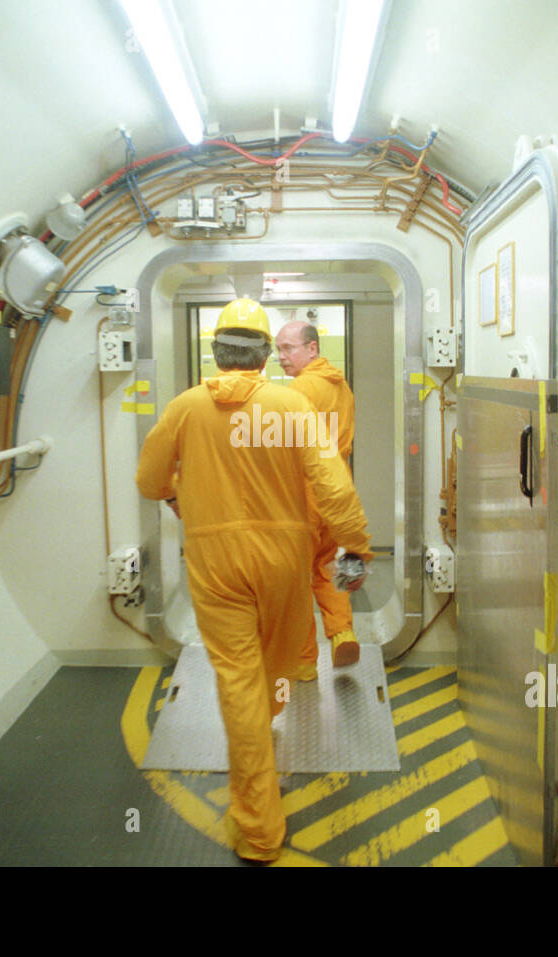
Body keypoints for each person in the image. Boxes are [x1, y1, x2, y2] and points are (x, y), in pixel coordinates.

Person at [136, 298, 373, 863]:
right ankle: (262, 726)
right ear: (266, 353)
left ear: (215, 352)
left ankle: (260, 826)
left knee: (238, 678)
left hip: (215, 561)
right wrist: (357, 547)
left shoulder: (186, 408)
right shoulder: (290, 405)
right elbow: (333, 486)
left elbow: (148, 479)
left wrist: (175, 494)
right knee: (272, 663)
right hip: (284, 559)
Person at [274, 319, 360, 680]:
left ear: (312, 348)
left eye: (288, 348)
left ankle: (305, 661)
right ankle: (342, 632)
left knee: (294, 581)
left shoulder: (300, 390)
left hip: (303, 497)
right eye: (278, 349)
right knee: (326, 566)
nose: (281, 357)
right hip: (337, 492)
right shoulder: (342, 388)